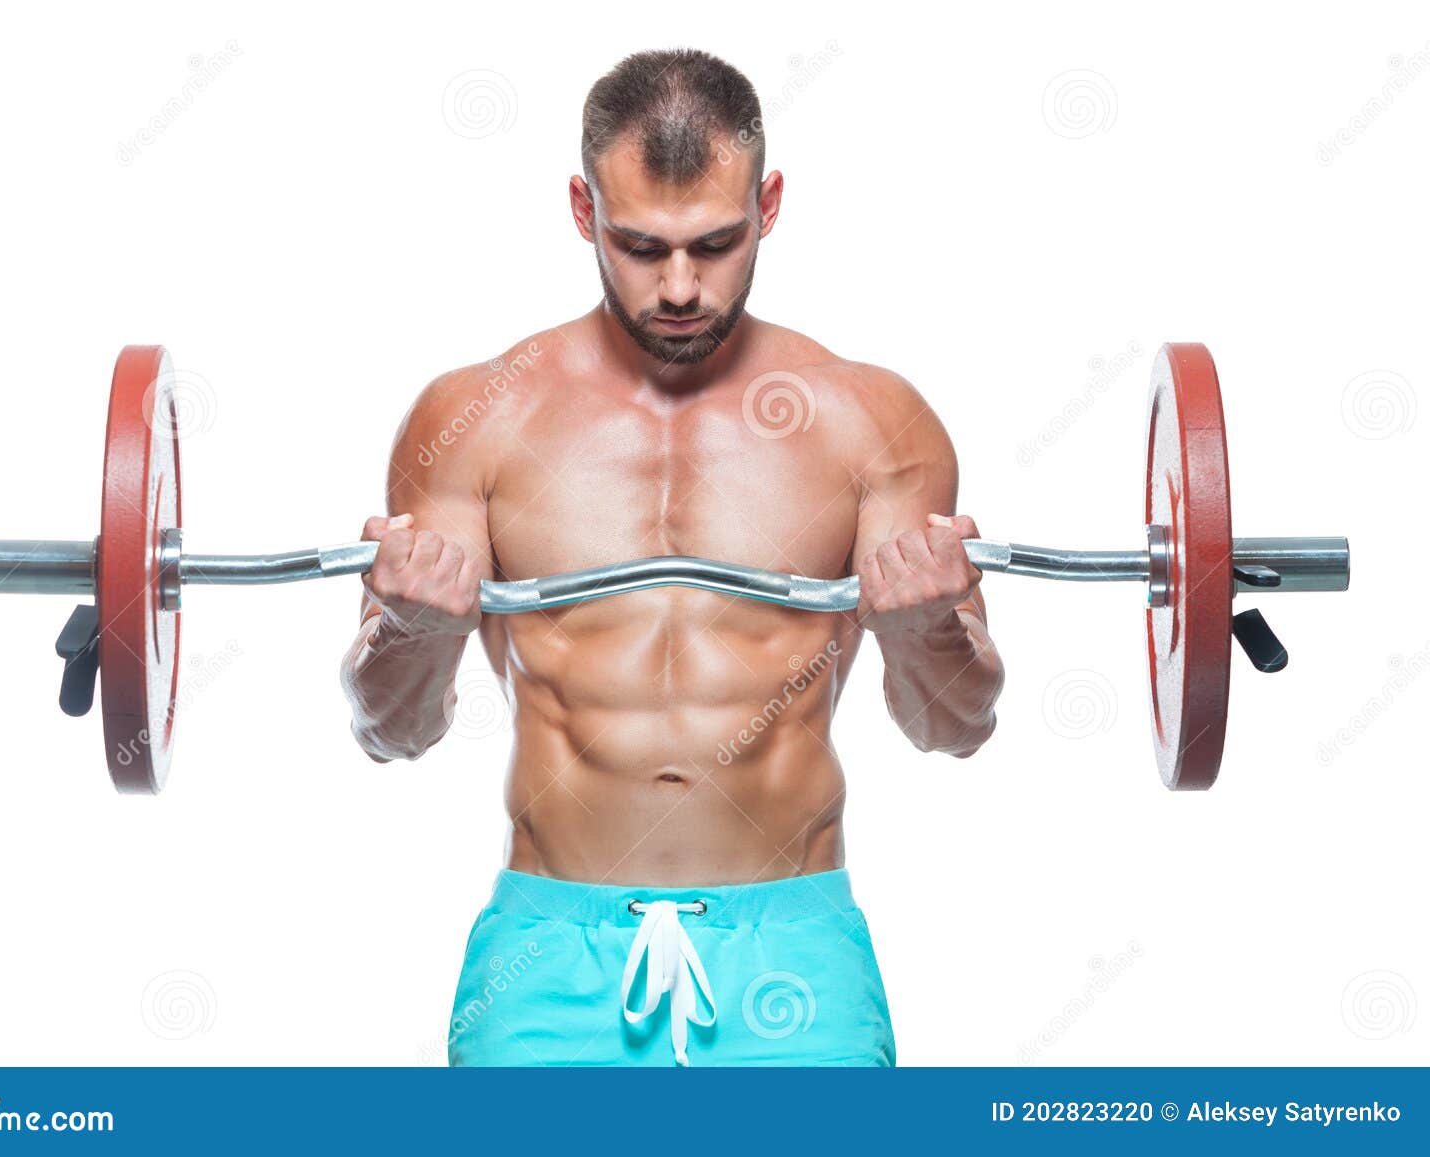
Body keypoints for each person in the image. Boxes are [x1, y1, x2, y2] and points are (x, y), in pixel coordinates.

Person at [340, 48, 1004, 1066]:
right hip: (545, 962)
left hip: (792, 955)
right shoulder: (474, 419)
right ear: (581, 208)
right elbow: (392, 731)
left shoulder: (870, 420)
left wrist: (925, 631)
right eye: (641, 246)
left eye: (717, 242)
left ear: (768, 203)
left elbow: (950, 724)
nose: (682, 286)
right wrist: (414, 632)